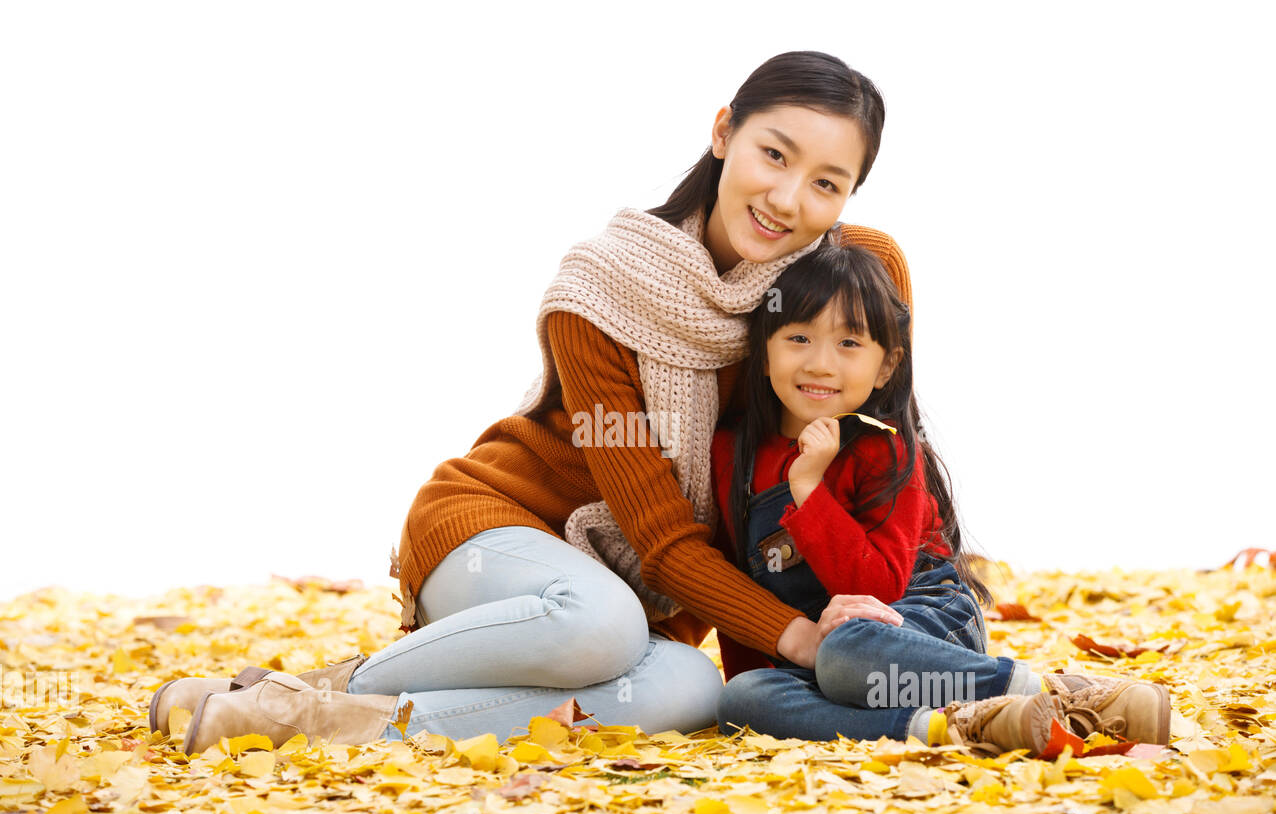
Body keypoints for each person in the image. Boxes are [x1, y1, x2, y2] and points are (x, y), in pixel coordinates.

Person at [152, 50, 917, 753]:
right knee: (601, 624)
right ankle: (323, 688)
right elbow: (660, 538)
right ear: (724, 132)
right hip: (495, 535)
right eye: (773, 154)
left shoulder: (860, 279)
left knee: (688, 689)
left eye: (826, 182)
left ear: (851, 193)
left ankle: (315, 717)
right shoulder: (600, 293)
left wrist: (898, 642)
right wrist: (801, 639)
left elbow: (890, 466)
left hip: (643, 601)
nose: (786, 199)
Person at [710, 243, 1172, 754]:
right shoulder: (732, 451)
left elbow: (874, 586)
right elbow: (741, 582)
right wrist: (778, 669)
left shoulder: (885, 450)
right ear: (765, 348)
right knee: (743, 700)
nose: (820, 364)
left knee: (846, 655)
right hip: (827, 655)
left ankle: (1060, 694)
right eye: (798, 337)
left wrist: (809, 488)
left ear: (887, 367)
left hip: (919, 626)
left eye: (849, 343)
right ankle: (958, 726)